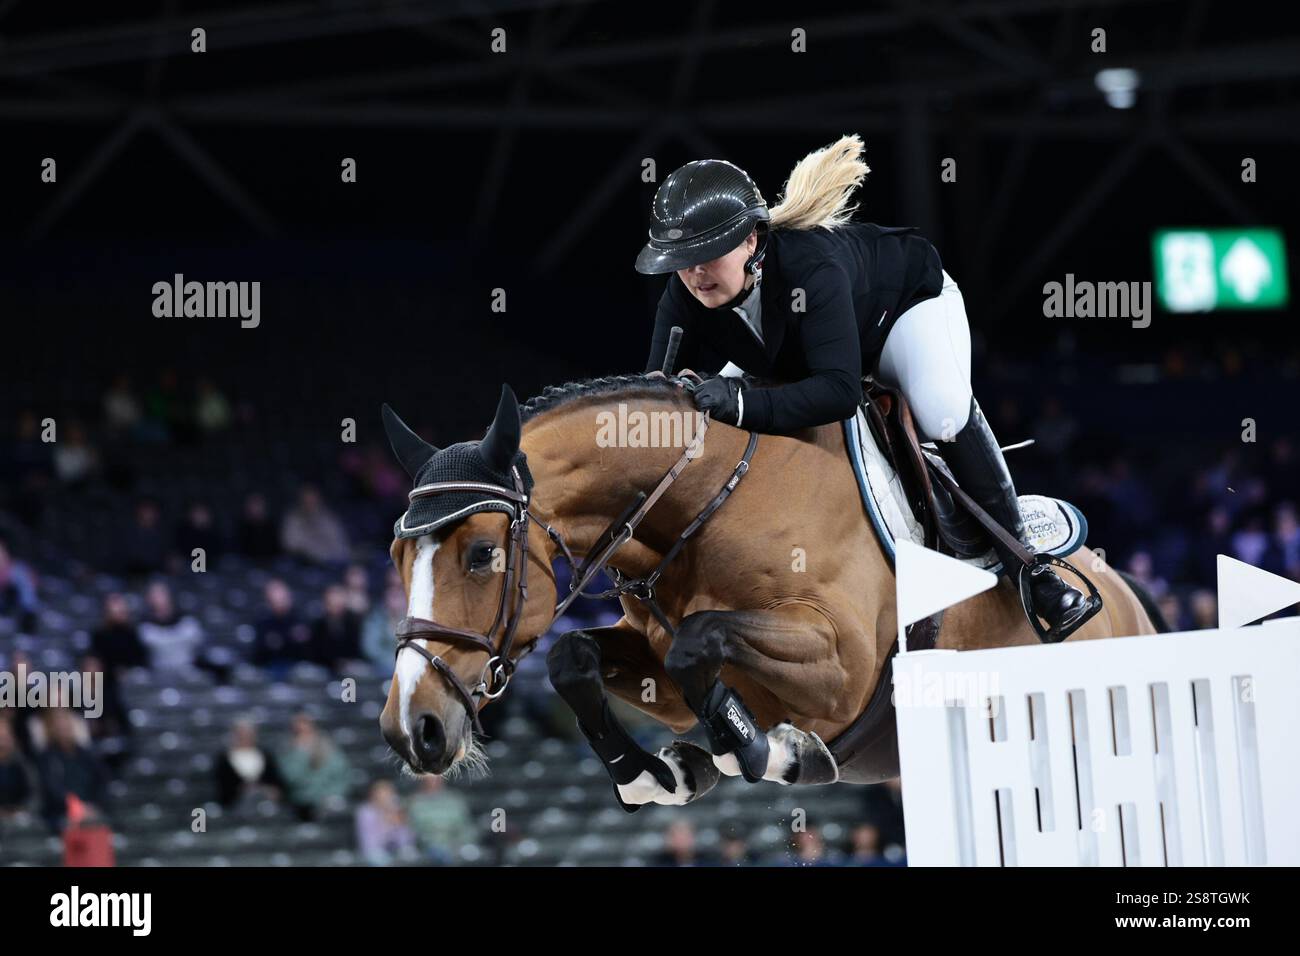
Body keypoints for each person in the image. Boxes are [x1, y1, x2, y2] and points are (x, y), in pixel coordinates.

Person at [636, 135, 1097, 638]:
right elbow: (654, 394)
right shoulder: (684, 291)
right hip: (806, 346)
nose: (694, 272)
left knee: (940, 409)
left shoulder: (811, 268)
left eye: (707, 254)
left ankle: (1029, 567)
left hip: (900, 314)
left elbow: (838, 392)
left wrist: (742, 402)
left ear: (751, 239)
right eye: (681, 258)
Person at [35, 709, 110, 833]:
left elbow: (102, 781)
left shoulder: (87, 755)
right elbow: (51, 788)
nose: (64, 728)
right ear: (52, 729)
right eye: (59, 725)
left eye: (66, 724)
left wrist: (93, 805)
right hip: (61, 813)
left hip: (91, 809)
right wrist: (74, 805)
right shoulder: (47, 758)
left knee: (101, 823)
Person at [276, 712, 353, 821]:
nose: (304, 734)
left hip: (327, 799)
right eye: (299, 732)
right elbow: (290, 778)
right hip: (299, 802)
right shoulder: (287, 751)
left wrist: (331, 794)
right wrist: (300, 752)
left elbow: (342, 775)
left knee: (337, 808)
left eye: (307, 729)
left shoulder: (327, 747)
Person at [214, 718, 284, 809]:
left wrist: (269, 790)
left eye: (248, 734)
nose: (244, 737)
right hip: (236, 804)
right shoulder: (224, 758)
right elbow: (223, 785)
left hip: (265, 802)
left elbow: (275, 780)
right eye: (241, 734)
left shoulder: (265, 755)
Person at [405, 774, 472, 865]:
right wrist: (425, 842)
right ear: (422, 778)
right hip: (427, 847)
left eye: (437, 776)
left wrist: (459, 843)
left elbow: (466, 827)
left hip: (455, 846)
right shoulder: (414, 801)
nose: (434, 780)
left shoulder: (455, 800)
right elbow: (410, 829)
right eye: (430, 776)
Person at [355, 780, 418, 866]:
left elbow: (407, 841)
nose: (385, 798)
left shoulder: (396, 809)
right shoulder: (366, 813)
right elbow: (370, 844)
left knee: (412, 857)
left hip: (396, 850)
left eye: (388, 794)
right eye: (382, 795)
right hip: (374, 851)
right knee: (383, 861)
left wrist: (399, 824)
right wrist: (385, 822)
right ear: (374, 796)